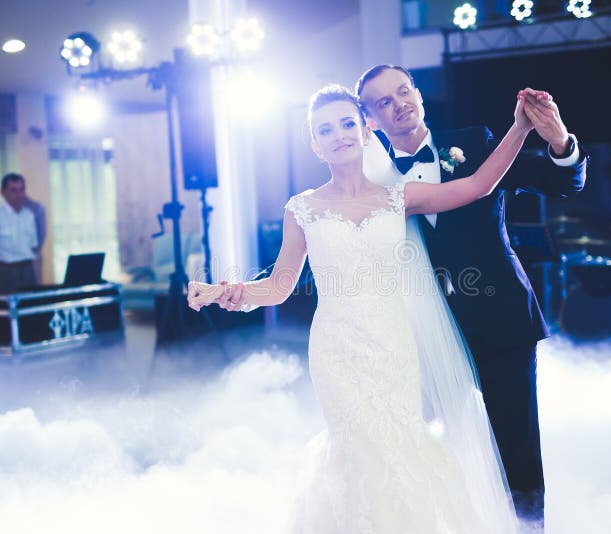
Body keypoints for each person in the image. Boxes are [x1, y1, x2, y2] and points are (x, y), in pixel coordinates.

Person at [188, 84, 547, 533]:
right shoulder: (303, 208)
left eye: (346, 123)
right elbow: (280, 286)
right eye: (325, 129)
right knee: (358, 450)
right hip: (336, 350)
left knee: (400, 448)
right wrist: (231, 292)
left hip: (392, 344)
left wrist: (518, 128)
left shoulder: (399, 196)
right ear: (315, 145)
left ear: (364, 131)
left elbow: (477, 185)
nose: (338, 134)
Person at [355, 64, 588, 525]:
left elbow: (562, 182)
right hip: (420, 331)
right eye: (383, 101)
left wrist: (560, 141)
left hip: (500, 318)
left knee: (515, 445)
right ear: (370, 119)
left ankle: (528, 527)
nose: (399, 103)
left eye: (404, 91)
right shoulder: (367, 176)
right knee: (427, 445)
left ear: (418, 95)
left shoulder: (479, 142)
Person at [0, 173, 38, 294]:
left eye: (22, 190)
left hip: (27, 270)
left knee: (31, 309)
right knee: (6, 311)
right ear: (2, 192)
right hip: (4, 272)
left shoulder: (29, 215)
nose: (19, 194)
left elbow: (33, 246)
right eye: (13, 190)